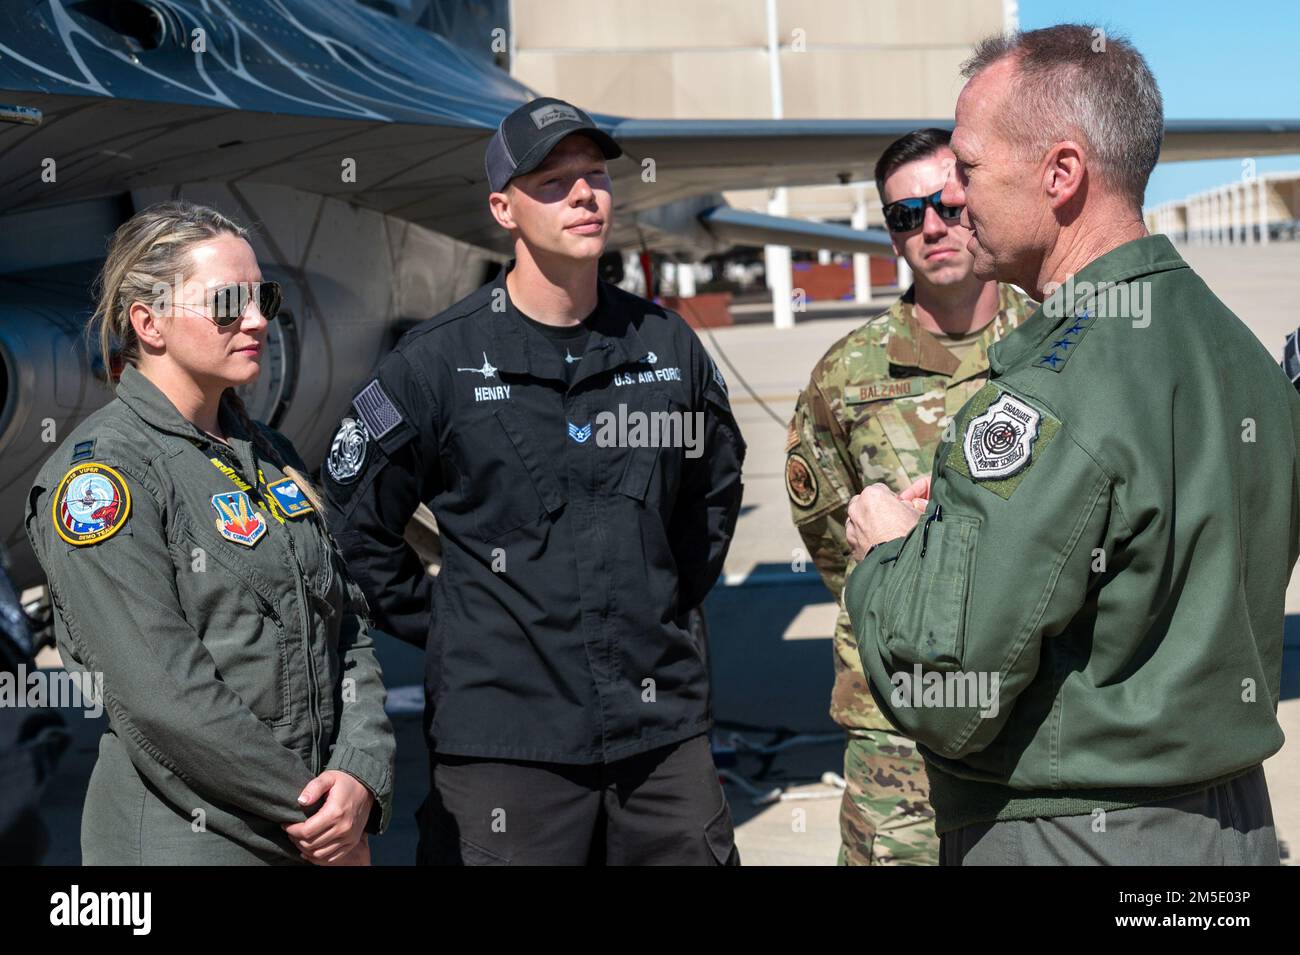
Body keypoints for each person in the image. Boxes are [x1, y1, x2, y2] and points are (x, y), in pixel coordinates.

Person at [844, 24, 1299, 865]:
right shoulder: (1237, 354)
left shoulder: (1058, 385)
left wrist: (889, 560)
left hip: (1073, 834)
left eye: (970, 170)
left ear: (1061, 173)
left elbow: (948, 692)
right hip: (1229, 827)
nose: (956, 200)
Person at [321, 97, 747, 865]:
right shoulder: (438, 361)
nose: (585, 195)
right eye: (552, 182)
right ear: (503, 208)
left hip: (659, 735)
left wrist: (657, 602)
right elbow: (354, 526)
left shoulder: (664, 349)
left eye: (594, 177)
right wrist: (451, 619)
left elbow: (710, 499)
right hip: (505, 743)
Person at [25, 201, 396, 865]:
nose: (258, 320)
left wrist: (361, 772)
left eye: (263, 296)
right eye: (228, 302)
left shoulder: (270, 452)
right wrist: (320, 818)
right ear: (149, 322)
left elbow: (349, 626)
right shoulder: (103, 481)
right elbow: (164, 697)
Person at [786, 128, 1033, 865]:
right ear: (891, 234)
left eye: (948, 204)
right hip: (895, 722)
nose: (931, 225)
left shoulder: (1058, 343)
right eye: (905, 215)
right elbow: (832, 539)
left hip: (1034, 707)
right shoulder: (847, 377)